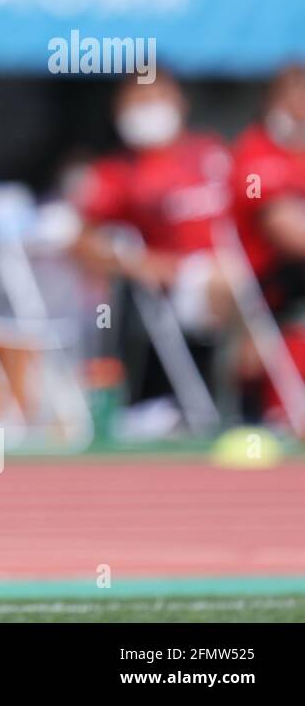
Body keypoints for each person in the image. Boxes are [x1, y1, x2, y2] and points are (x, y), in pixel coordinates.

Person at [68, 72, 232, 430]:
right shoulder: (117, 172)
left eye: (157, 98)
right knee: (232, 285)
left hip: (241, 271)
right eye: (139, 101)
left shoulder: (210, 153)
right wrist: (140, 262)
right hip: (177, 284)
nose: (150, 110)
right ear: (119, 110)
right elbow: (81, 241)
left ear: (179, 102)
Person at [228, 63, 305, 423]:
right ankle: (257, 413)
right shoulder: (256, 153)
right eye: (292, 93)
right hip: (269, 280)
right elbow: (290, 234)